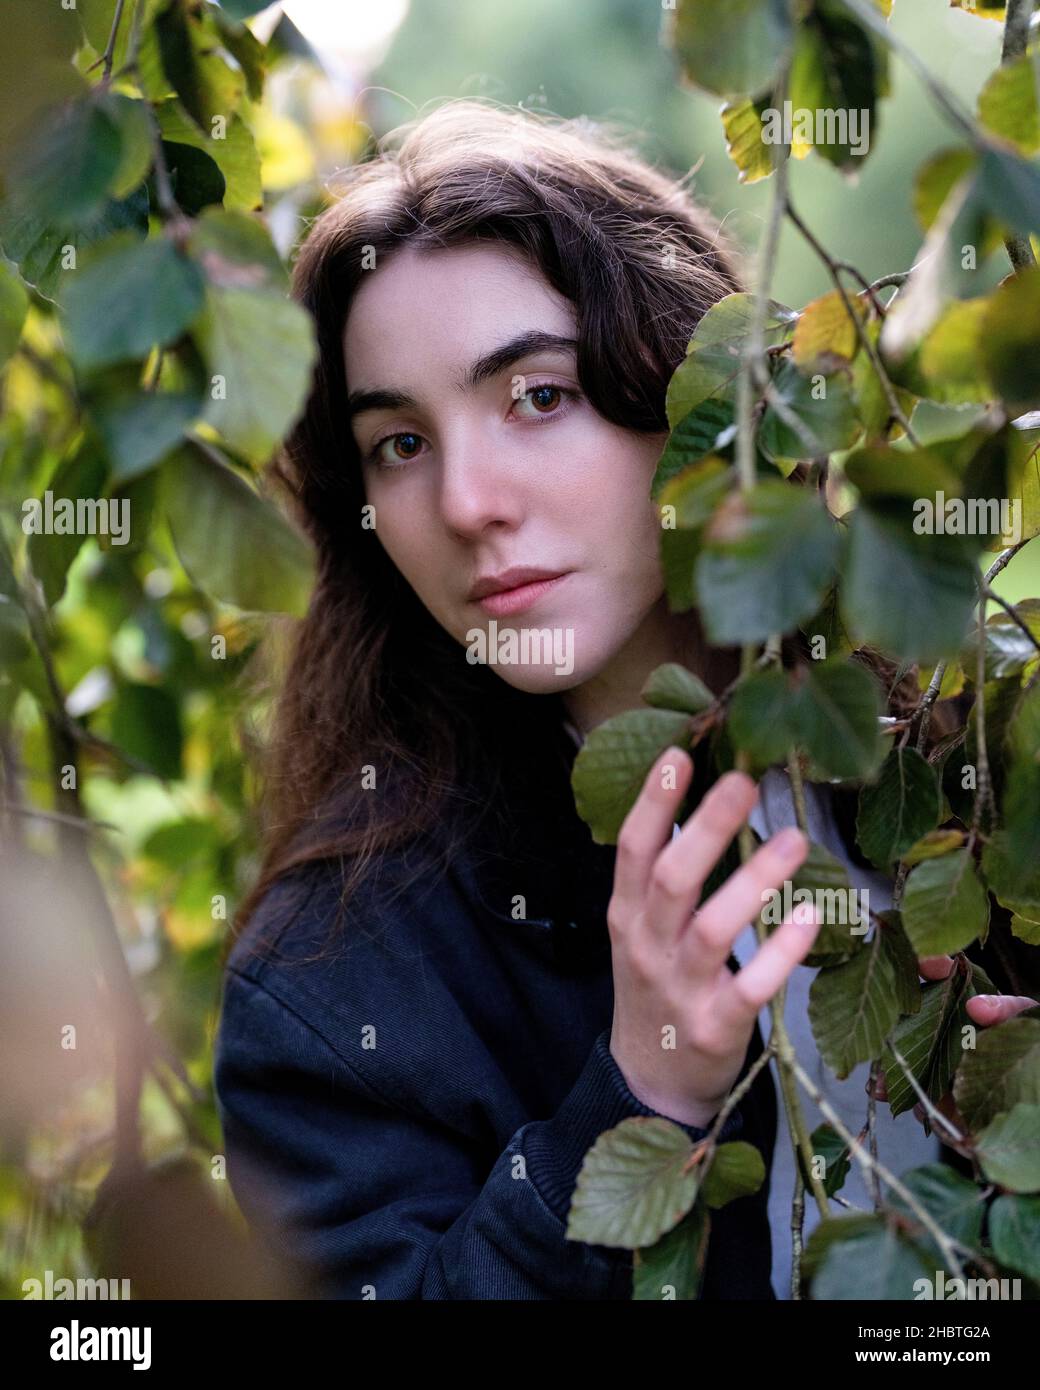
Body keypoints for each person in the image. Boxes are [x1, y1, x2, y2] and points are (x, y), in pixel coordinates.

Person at [212, 99, 1035, 1301]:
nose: (467, 501)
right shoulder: (337, 983)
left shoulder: (963, 759)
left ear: (682, 384)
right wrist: (636, 1094)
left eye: (535, 395)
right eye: (399, 443)